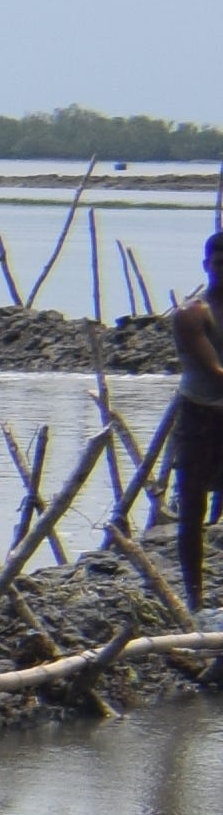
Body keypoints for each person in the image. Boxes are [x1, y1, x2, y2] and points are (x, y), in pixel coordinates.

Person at [172, 239, 223, 608]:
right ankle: (194, 598)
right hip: (200, 416)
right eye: (219, 262)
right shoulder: (192, 313)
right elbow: (215, 371)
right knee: (192, 508)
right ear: (206, 265)